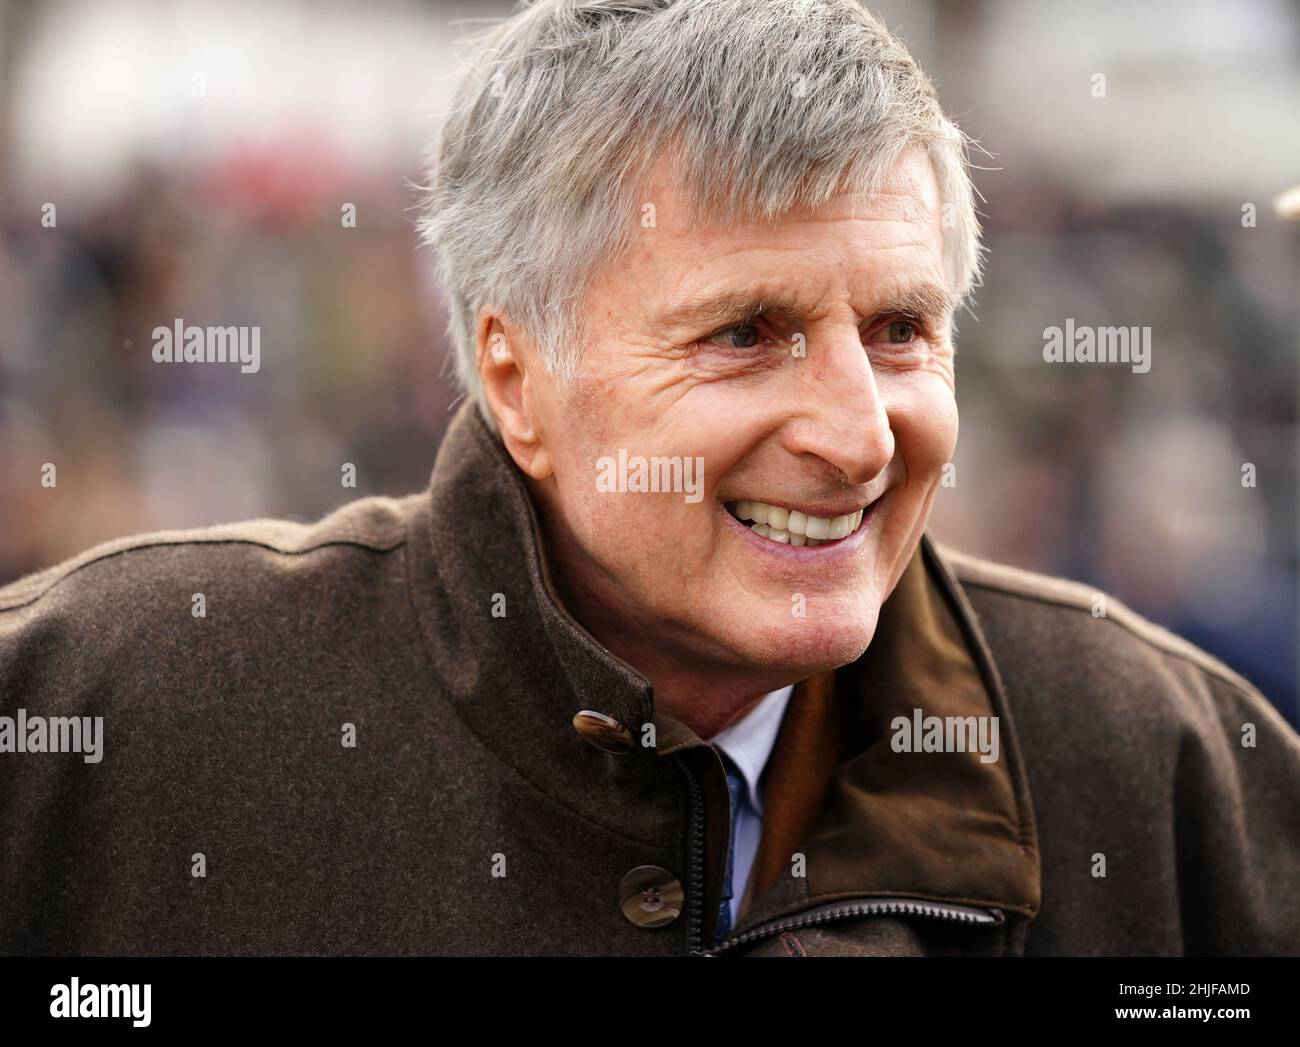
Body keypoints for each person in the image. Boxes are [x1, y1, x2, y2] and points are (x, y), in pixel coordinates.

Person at [2, 0, 1297, 956]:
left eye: (901, 330)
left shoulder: (1164, 767)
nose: (858, 435)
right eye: (745, 334)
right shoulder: (100, 723)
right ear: (516, 377)